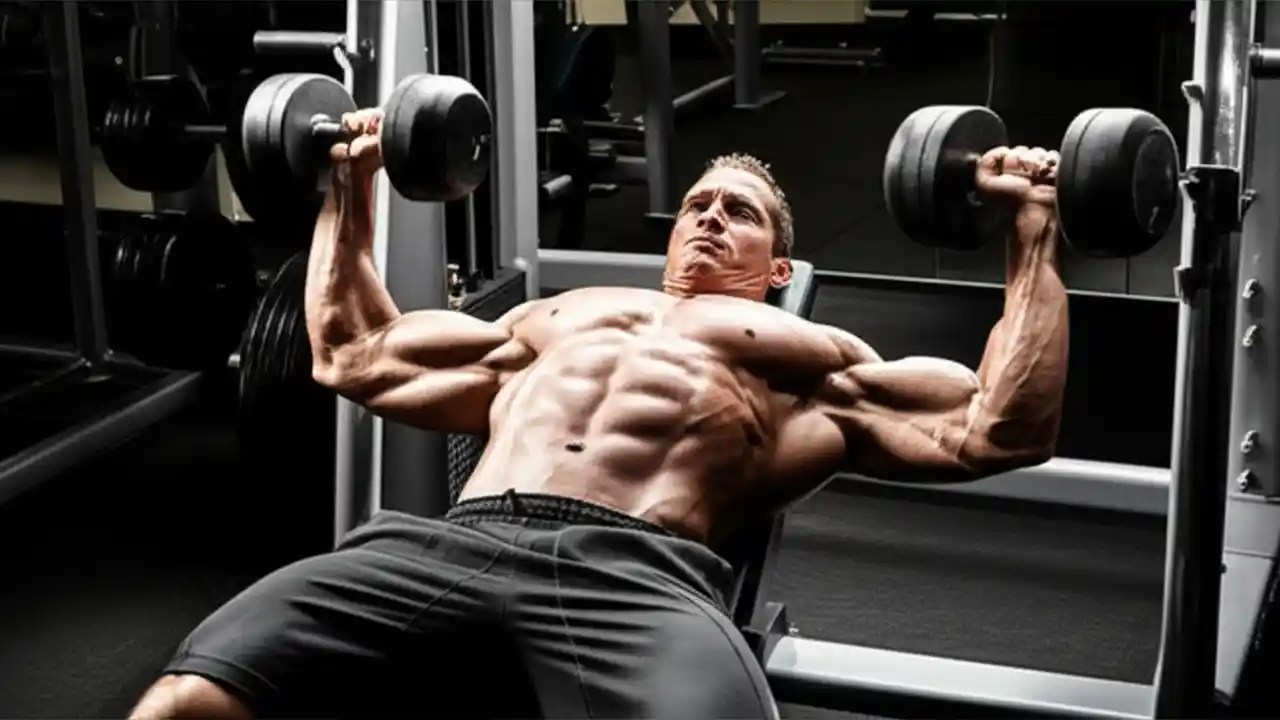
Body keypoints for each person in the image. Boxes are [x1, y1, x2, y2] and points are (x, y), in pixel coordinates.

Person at [130, 109, 1067, 719]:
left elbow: (997, 424)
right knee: (185, 702)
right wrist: (351, 183)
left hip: (636, 574)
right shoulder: (559, 318)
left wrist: (1032, 230)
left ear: (777, 270)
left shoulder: (810, 358)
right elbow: (353, 351)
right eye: (697, 204)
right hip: (450, 543)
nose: (709, 217)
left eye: (738, 213)